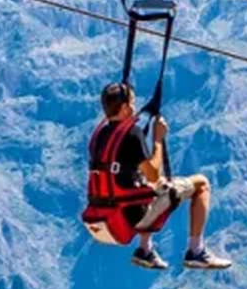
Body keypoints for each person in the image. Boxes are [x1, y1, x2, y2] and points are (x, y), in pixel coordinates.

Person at [92, 82, 233, 271]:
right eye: (132, 102)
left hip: (107, 212)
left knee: (144, 183)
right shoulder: (131, 134)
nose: (135, 106)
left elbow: (123, 172)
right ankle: (196, 252)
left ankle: (145, 249)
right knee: (201, 183)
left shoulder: (100, 134)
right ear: (124, 107)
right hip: (133, 216)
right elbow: (152, 174)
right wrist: (158, 139)